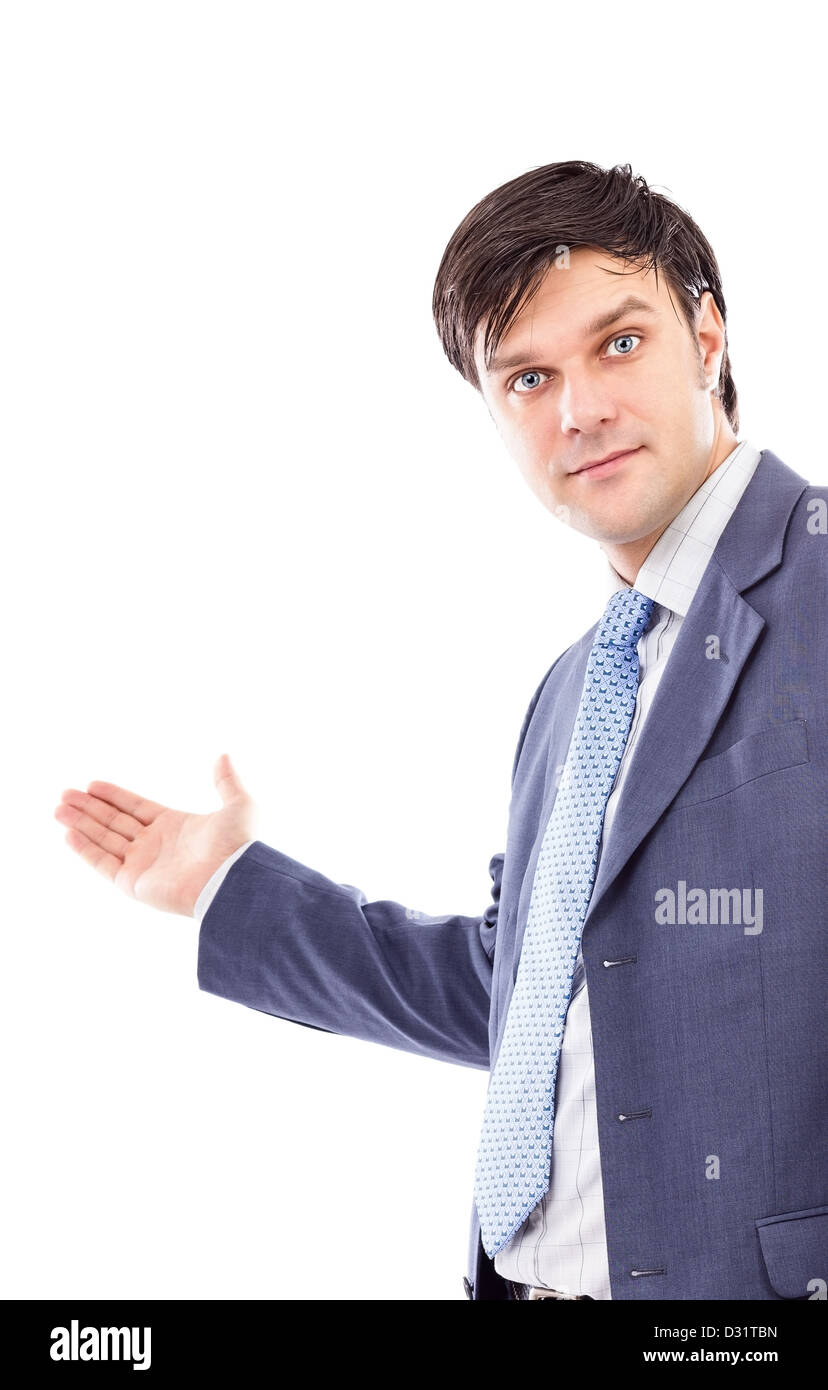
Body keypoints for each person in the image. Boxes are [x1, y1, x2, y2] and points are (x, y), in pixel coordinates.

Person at [54, 160, 827, 1301]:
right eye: (527, 376)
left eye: (620, 343)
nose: (580, 409)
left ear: (707, 336)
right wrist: (234, 887)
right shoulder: (577, 690)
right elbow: (525, 991)